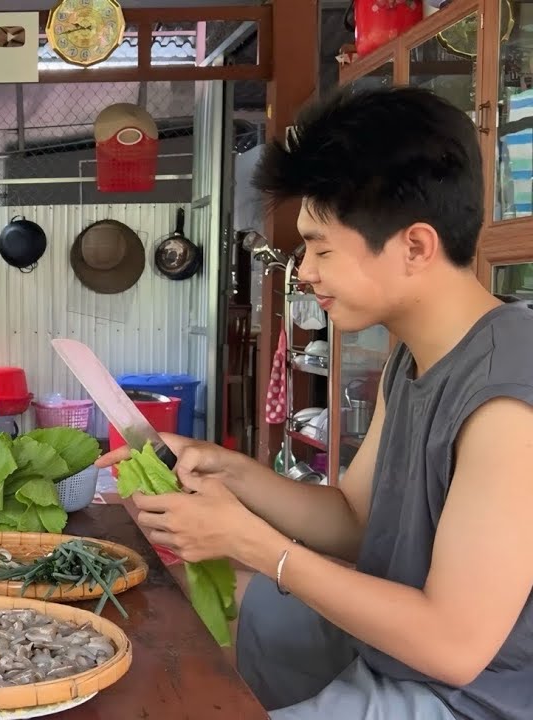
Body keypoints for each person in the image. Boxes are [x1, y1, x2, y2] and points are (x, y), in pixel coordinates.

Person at [96, 85, 533, 720]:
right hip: (401, 654)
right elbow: (353, 522)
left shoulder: (508, 402)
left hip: (468, 697)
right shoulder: (414, 356)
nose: (304, 272)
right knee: (252, 608)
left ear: (415, 247)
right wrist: (227, 468)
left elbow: (454, 646)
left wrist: (254, 544)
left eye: (323, 249)